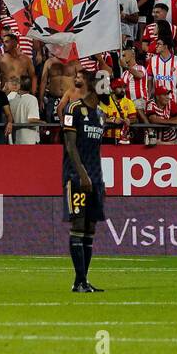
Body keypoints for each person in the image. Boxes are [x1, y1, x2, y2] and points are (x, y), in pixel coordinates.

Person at [62, 69, 108, 293]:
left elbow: (97, 150)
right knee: (78, 224)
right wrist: (82, 175)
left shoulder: (101, 115)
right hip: (76, 175)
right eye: (104, 85)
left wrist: (99, 179)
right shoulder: (73, 109)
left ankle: (83, 280)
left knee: (90, 227)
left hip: (96, 176)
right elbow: (70, 146)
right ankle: (79, 281)